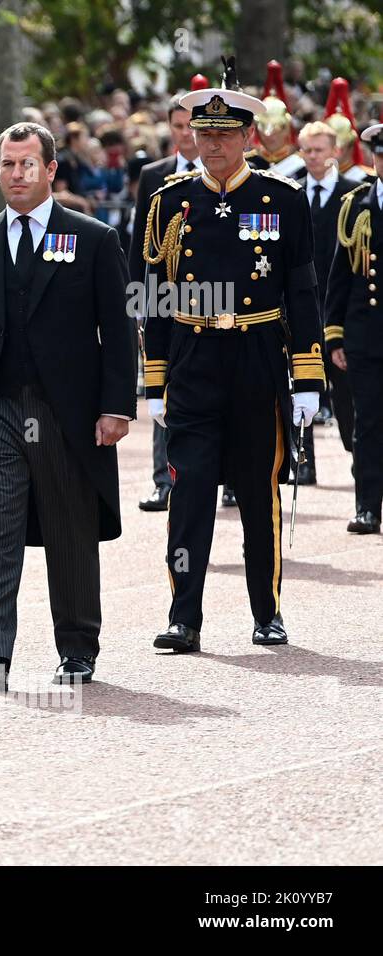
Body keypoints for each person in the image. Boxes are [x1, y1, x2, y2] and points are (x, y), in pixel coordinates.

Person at [0, 121, 135, 692]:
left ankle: (77, 650)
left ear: (51, 170)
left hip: (67, 413)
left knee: (69, 530)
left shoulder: (95, 240)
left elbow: (117, 332)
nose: (17, 174)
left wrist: (116, 405)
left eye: (28, 164)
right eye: (7, 164)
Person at [142, 62, 325, 653]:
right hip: (194, 357)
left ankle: (266, 610)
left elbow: (302, 290)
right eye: (204, 134)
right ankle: (183, 617)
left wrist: (306, 375)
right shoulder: (169, 203)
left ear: (248, 137)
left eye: (225, 135)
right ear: (190, 135)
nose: (213, 145)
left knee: (256, 489)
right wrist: (153, 379)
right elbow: (152, 296)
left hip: (256, 354)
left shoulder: (282, 199)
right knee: (188, 490)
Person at [131, 95, 201, 513]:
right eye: (177, 126)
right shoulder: (153, 175)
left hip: (218, 301)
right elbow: (143, 245)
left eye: (190, 126)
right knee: (161, 384)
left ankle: (227, 478)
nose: (185, 134)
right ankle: (164, 479)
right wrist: (139, 301)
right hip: (165, 300)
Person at [322, 123, 383, 535]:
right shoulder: (356, 205)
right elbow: (340, 276)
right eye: (379, 154)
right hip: (367, 334)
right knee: (368, 422)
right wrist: (335, 333)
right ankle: (367, 506)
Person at [296, 120, 356, 486]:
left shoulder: (354, 195)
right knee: (301, 386)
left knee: (346, 391)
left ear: (335, 151)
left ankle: (356, 452)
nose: (312, 157)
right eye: (306, 150)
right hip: (302, 305)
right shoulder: (291, 195)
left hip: (341, 310)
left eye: (319, 149)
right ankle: (305, 461)